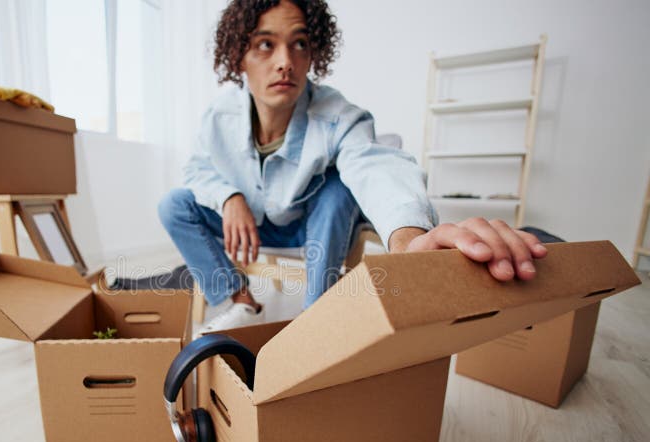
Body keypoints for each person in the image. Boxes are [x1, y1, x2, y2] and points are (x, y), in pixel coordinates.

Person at [159, 0, 547, 334]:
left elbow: (376, 167)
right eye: (265, 45)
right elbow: (197, 169)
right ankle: (242, 302)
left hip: (311, 225)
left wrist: (409, 242)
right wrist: (229, 197)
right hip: (253, 226)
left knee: (336, 188)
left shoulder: (337, 115)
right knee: (174, 204)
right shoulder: (218, 116)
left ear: (313, 54)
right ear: (239, 56)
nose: (285, 62)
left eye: (300, 44)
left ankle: (315, 318)